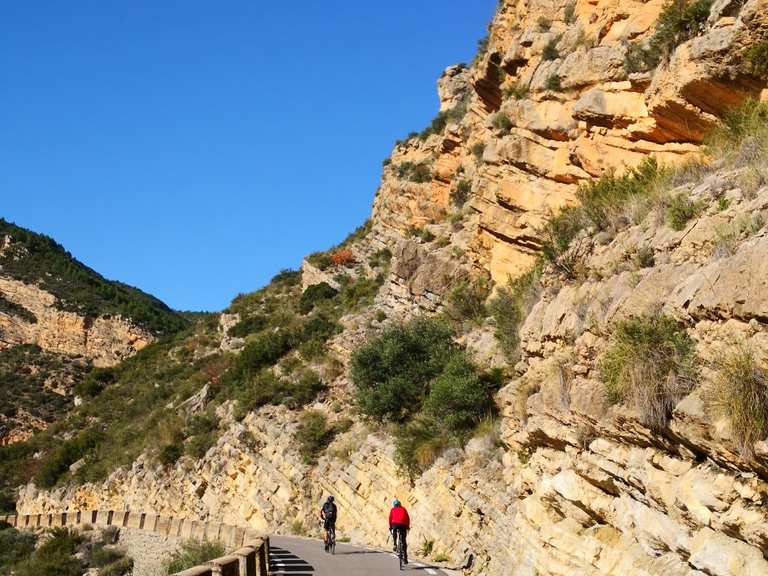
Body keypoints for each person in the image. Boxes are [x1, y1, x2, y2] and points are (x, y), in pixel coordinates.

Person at [389, 499, 410, 564]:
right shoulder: (404, 509)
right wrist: (408, 526)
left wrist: (390, 527)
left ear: (394, 505)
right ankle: (405, 558)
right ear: (400, 504)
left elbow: (390, 518)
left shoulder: (392, 509)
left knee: (394, 531)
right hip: (404, 524)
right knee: (404, 541)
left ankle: (395, 544)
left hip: (395, 524)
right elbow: (408, 518)